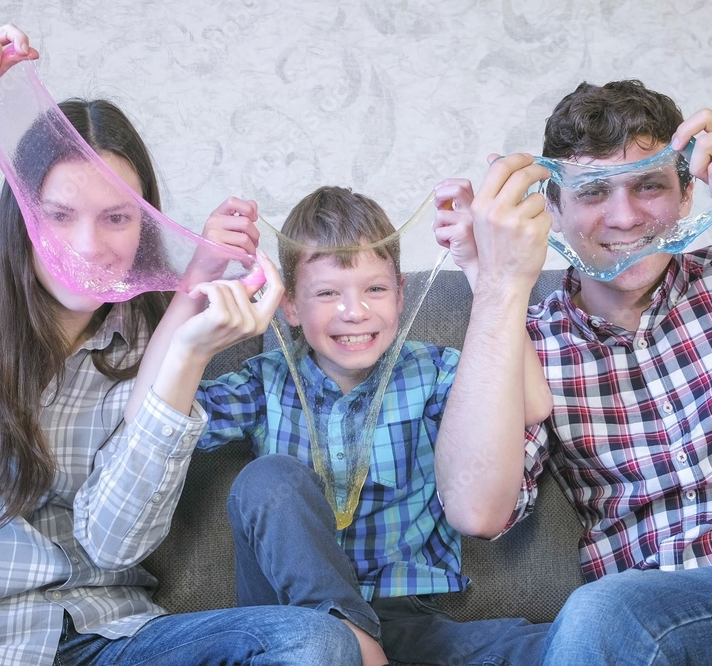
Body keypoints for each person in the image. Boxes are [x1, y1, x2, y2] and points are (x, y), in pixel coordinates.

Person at [0, 25, 361, 665]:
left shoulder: (152, 337)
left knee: (315, 642)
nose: (90, 247)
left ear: (144, 223)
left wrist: (186, 353)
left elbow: (116, 544)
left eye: (117, 217)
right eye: (60, 215)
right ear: (23, 212)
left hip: (113, 641)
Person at [433, 79, 712, 664]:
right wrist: (497, 284)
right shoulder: (528, 341)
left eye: (649, 185)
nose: (625, 215)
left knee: (607, 613)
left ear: (686, 194)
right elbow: (476, 511)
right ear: (551, 209)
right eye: (593, 190)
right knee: (598, 617)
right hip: (652, 623)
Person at [130, 185, 553, 665]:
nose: (355, 311)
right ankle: (350, 637)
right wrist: (198, 278)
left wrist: (483, 270)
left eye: (375, 288)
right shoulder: (264, 382)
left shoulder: (434, 372)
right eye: (327, 292)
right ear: (288, 305)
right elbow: (146, 419)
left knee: (560, 642)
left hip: (407, 622)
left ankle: (365, 648)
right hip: (293, 628)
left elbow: (531, 405)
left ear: (401, 292)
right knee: (269, 478)